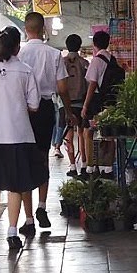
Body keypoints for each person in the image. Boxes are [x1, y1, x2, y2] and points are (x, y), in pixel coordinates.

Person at [0, 28, 43, 251]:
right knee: (15, 186)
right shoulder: (26, 71)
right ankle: (13, 233)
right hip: (19, 135)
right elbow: (34, 105)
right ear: (17, 48)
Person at [16, 12, 66, 234]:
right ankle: (42, 206)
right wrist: (70, 111)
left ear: (26, 29)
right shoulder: (54, 54)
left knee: (25, 160)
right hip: (45, 108)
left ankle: (28, 219)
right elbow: (63, 88)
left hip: (22, 111)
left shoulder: (18, 55)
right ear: (43, 28)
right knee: (42, 157)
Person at [81, 30, 123, 176]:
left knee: (89, 132)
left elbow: (92, 84)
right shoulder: (113, 60)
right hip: (110, 101)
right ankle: (108, 167)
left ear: (94, 44)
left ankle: (91, 166)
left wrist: (86, 105)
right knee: (109, 133)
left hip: (97, 101)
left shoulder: (97, 60)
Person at [60, 34, 88, 176]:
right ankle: (84, 164)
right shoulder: (84, 63)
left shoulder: (61, 62)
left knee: (68, 136)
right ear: (79, 46)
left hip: (65, 105)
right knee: (82, 134)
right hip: (81, 103)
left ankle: (72, 166)